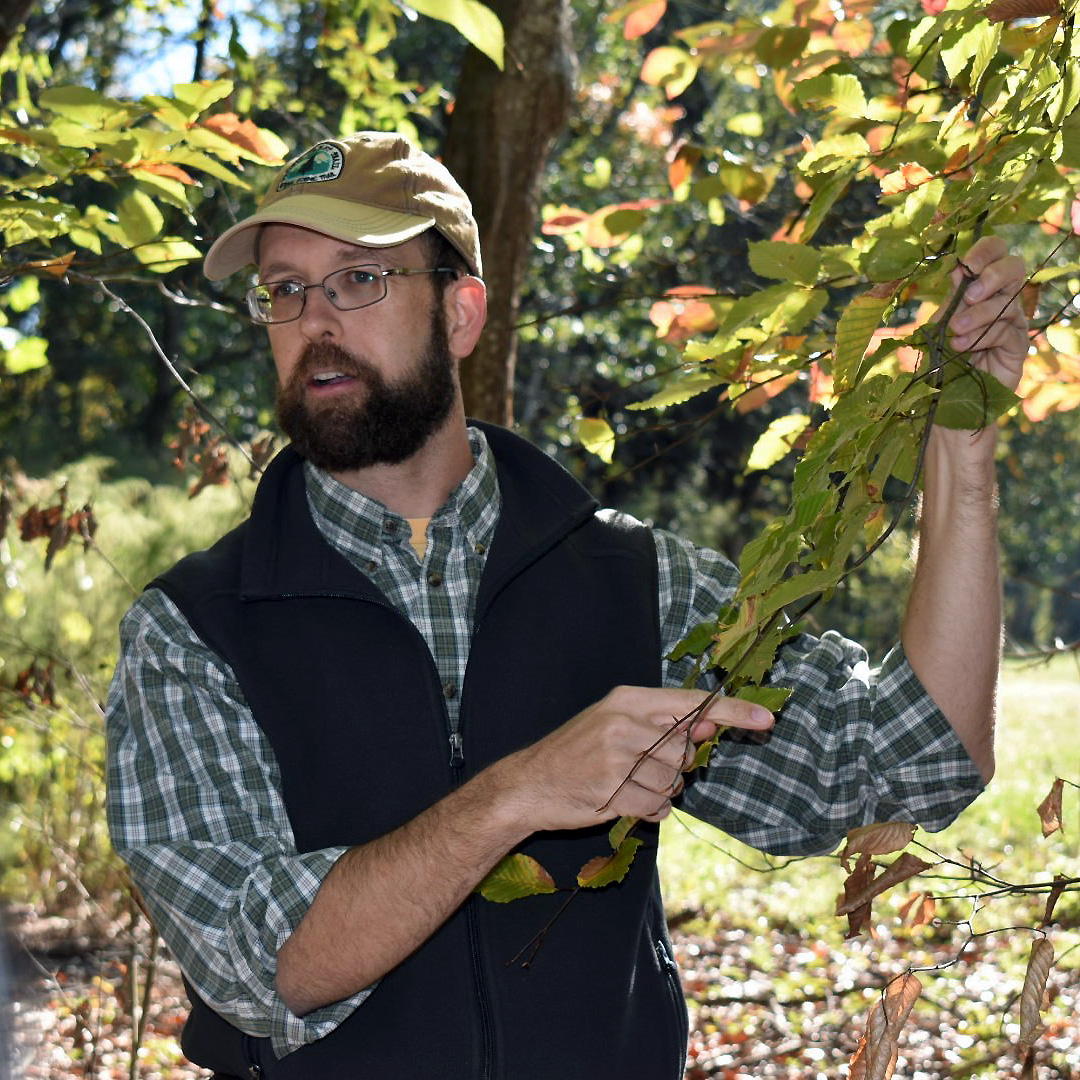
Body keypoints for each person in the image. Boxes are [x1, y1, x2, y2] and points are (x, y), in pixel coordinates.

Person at [105, 131, 1029, 1079]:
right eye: (285, 290)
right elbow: (256, 963)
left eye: (358, 280)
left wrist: (964, 446)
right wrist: (516, 793)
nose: (313, 321)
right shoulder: (195, 631)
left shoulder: (634, 583)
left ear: (461, 314)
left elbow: (919, 757)